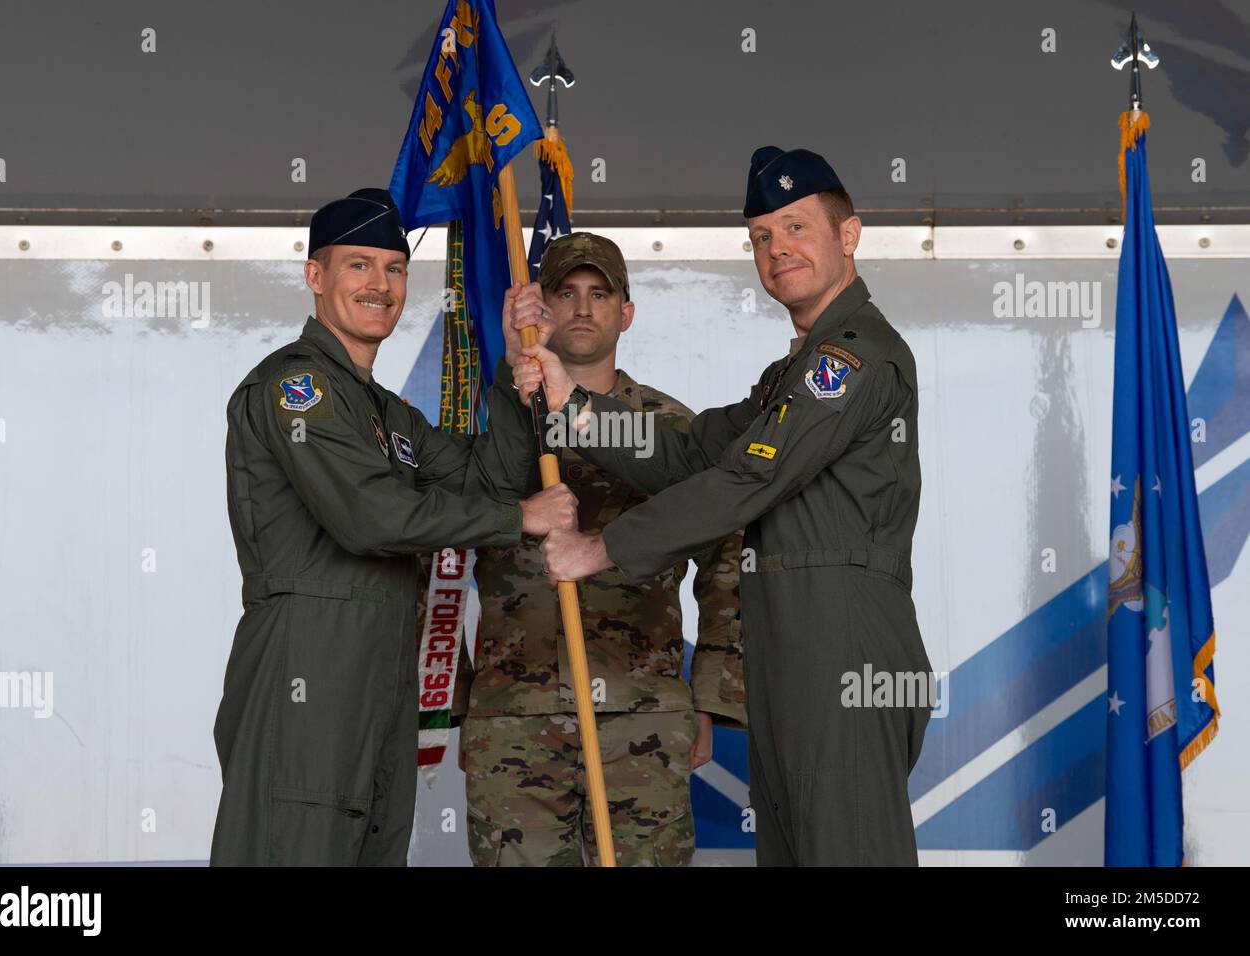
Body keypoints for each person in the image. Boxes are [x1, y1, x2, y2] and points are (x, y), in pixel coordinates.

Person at [515, 149, 934, 866]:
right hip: (790, 638)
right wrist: (573, 406)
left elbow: (746, 477)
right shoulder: (790, 374)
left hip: (842, 642)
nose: (778, 250)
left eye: (797, 228)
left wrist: (602, 547)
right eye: (762, 238)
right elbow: (689, 451)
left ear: (850, 234)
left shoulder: (855, 358)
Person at [210, 187, 576, 866]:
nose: (380, 285)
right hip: (308, 666)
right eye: (358, 265)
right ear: (315, 275)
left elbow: (483, 480)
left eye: (395, 268)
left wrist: (510, 374)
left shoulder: (383, 412)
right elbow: (369, 517)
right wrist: (518, 518)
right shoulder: (299, 388)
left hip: (379, 672)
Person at [453, 232, 745, 866]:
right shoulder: (498, 420)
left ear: (626, 313)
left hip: (640, 712)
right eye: (564, 293)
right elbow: (446, 542)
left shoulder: (671, 428)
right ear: (540, 309)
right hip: (514, 717)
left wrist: (707, 698)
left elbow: (726, 563)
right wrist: (460, 698)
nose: (582, 309)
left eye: (600, 294)